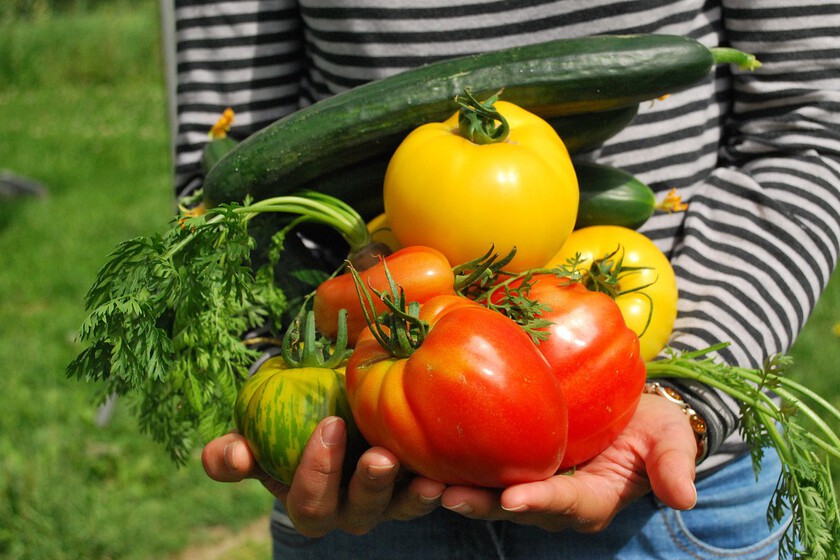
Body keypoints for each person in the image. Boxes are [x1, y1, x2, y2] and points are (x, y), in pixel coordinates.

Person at [168, 1, 840, 558]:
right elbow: (227, 190)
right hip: (365, 468)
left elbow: (808, 130)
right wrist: (286, 397)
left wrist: (686, 396)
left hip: (671, 488)